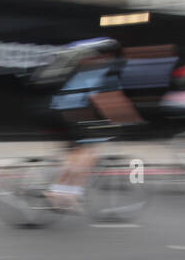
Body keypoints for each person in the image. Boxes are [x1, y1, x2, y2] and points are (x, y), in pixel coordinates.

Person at [44, 38, 143, 209]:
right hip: (73, 114)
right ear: (110, 54)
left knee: (77, 154)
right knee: (89, 153)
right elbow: (113, 101)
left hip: (56, 111)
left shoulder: (82, 67)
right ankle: (67, 193)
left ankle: (61, 191)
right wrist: (133, 120)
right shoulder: (106, 70)